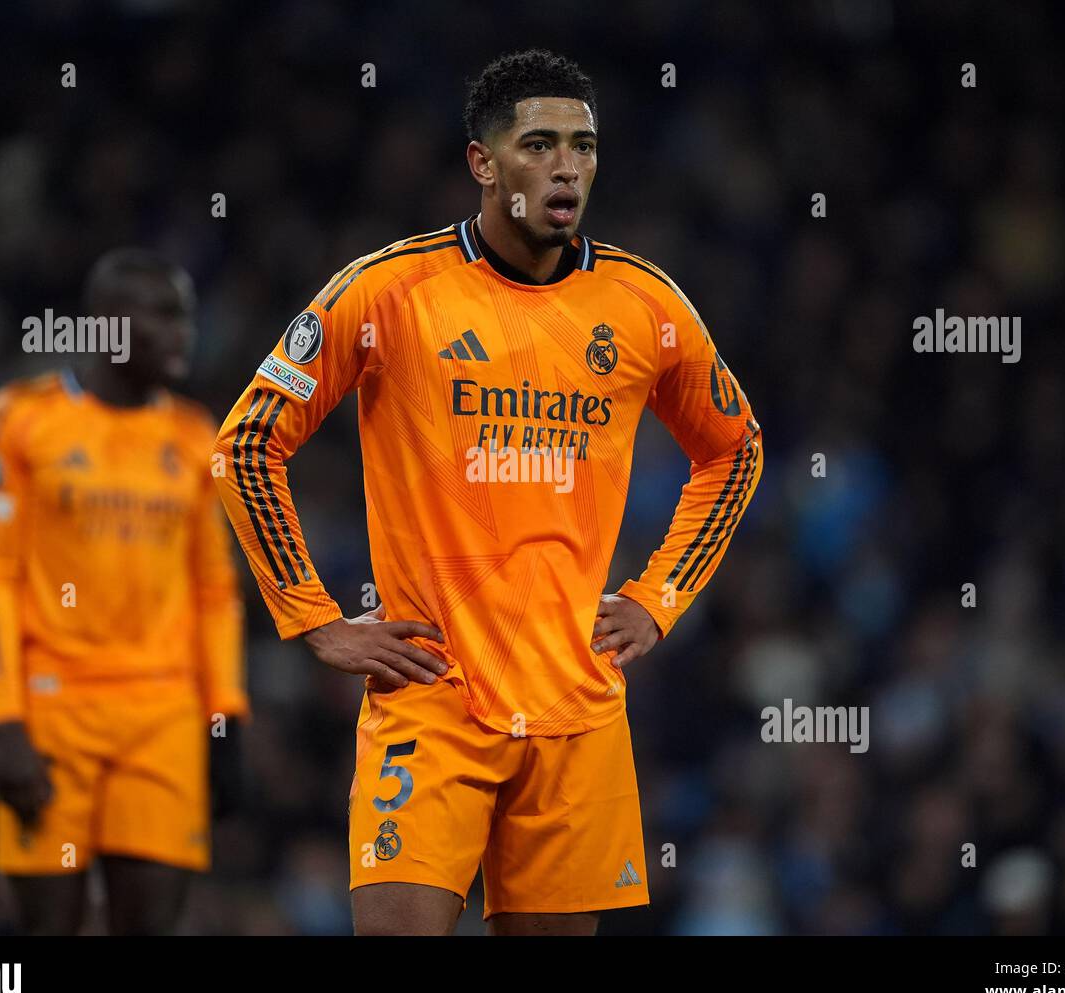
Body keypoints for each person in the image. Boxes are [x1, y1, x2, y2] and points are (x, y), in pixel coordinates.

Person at [213, 48, 762, 935]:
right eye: (539, 144)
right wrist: (312, 617)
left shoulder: (643, 304)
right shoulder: (391, 292)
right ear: (482, 162)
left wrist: (660, 598)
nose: (567, 167)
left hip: (576, 711)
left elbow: (735, 451)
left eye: (583, 146)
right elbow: (244, 447)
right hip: (432, 699)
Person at [0, 249, 247, 934]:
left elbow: (214, 589)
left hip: (164, 720)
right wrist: (4, 721)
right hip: (53, 711)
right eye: (166, 316)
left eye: (188, 317)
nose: (186, 333)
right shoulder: (19, 418)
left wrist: (227, 714)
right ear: (109, 325)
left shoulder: (192, 433)